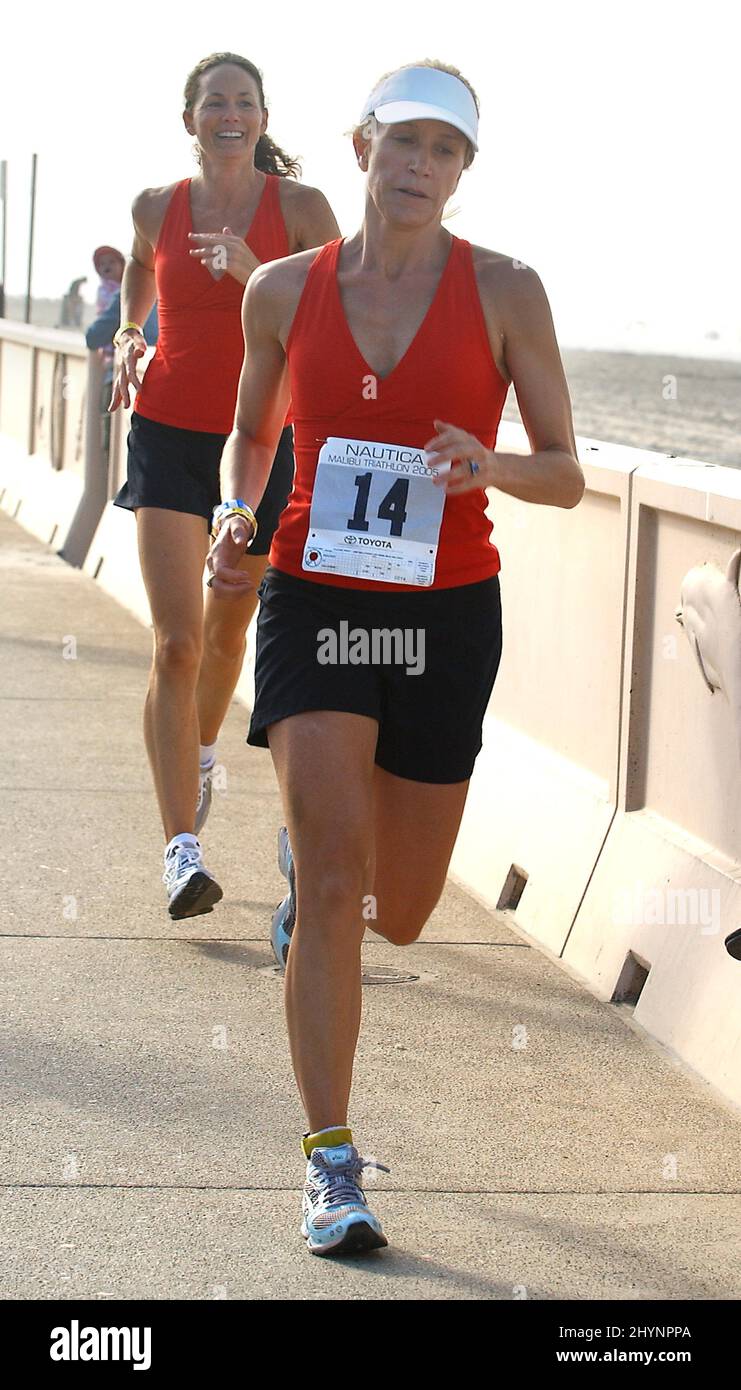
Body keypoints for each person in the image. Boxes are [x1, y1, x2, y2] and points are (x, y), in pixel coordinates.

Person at [207, 60, 585, 1257]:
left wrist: (494, 462)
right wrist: (236, 518)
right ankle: (331, 1164)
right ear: (361, 144)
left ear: (462, 172)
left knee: (401, 911)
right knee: (331, 882)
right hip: (317, 598)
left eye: (446, 151)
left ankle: (328, 864)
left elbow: (567, 470)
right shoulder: (282, 290)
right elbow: (251, 434)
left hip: (444, 615)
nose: (421, 166)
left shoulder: (510, 291)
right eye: (403, 142)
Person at [108, 51, 339, 920]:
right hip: (168, 436)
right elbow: (139, 264)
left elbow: (334, 317)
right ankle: (180, 852)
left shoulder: (303, 211)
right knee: (175, 643)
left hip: (268, 444)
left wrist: (255, 272)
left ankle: (200, 754)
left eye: (244, 102)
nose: (230, 114)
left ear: (263, 117)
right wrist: (132, 331)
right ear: (190, 119)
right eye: (215, 102)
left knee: (227, 630)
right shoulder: (155, 207)